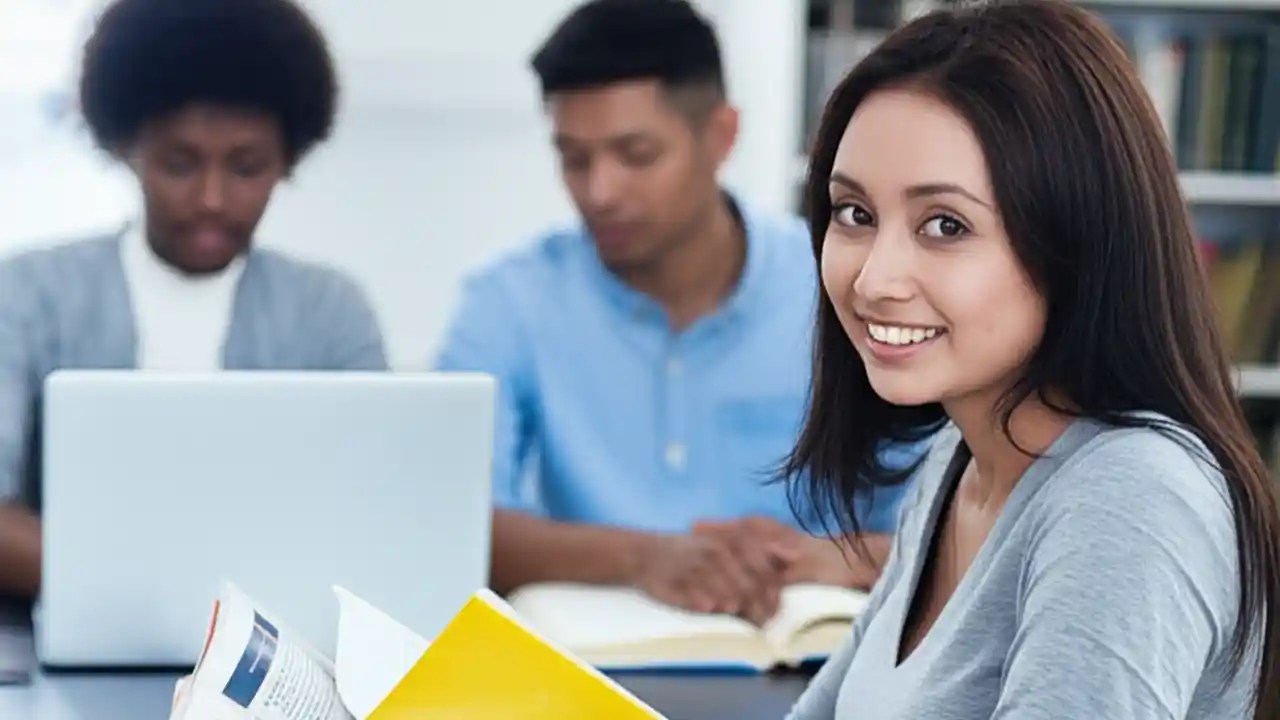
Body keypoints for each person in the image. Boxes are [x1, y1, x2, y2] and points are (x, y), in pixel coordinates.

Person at [782, 0, 1280, 718]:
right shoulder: (958, 458)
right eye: (854, 214)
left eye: (945, 225)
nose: (873, 280)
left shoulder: (1132, 498)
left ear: (1074, 241)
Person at [435, 0, 924, 627]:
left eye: (636, 155)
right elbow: (450, 521)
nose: (599, 192)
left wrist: (826, 559)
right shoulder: (509, 301)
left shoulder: (839, 286)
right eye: (574, 159)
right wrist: (643, 558)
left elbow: (956, 524)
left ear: (721, 135)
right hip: (591, 661)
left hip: (812, 655)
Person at [0, 0, 387, 599]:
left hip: (284, 638)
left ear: (287, 160)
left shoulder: (330, 312)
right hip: (56, 637)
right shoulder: (28, 293)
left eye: (246, 168)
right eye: (179, 164)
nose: (211, 198)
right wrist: (155, 592)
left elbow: (373, 512)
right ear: (126, 146)